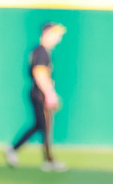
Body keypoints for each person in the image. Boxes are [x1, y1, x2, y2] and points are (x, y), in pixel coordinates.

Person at [5, 22, 67, 172]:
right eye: (56, 34)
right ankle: (43, 158)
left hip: (40, 93)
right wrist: (50, 94)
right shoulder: (41, 51)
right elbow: (39, 74)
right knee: (43, 125)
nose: (58, 38)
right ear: (47, 33)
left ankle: (44, 158)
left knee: (42, 126)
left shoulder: (43, 51)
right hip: (39, 94)